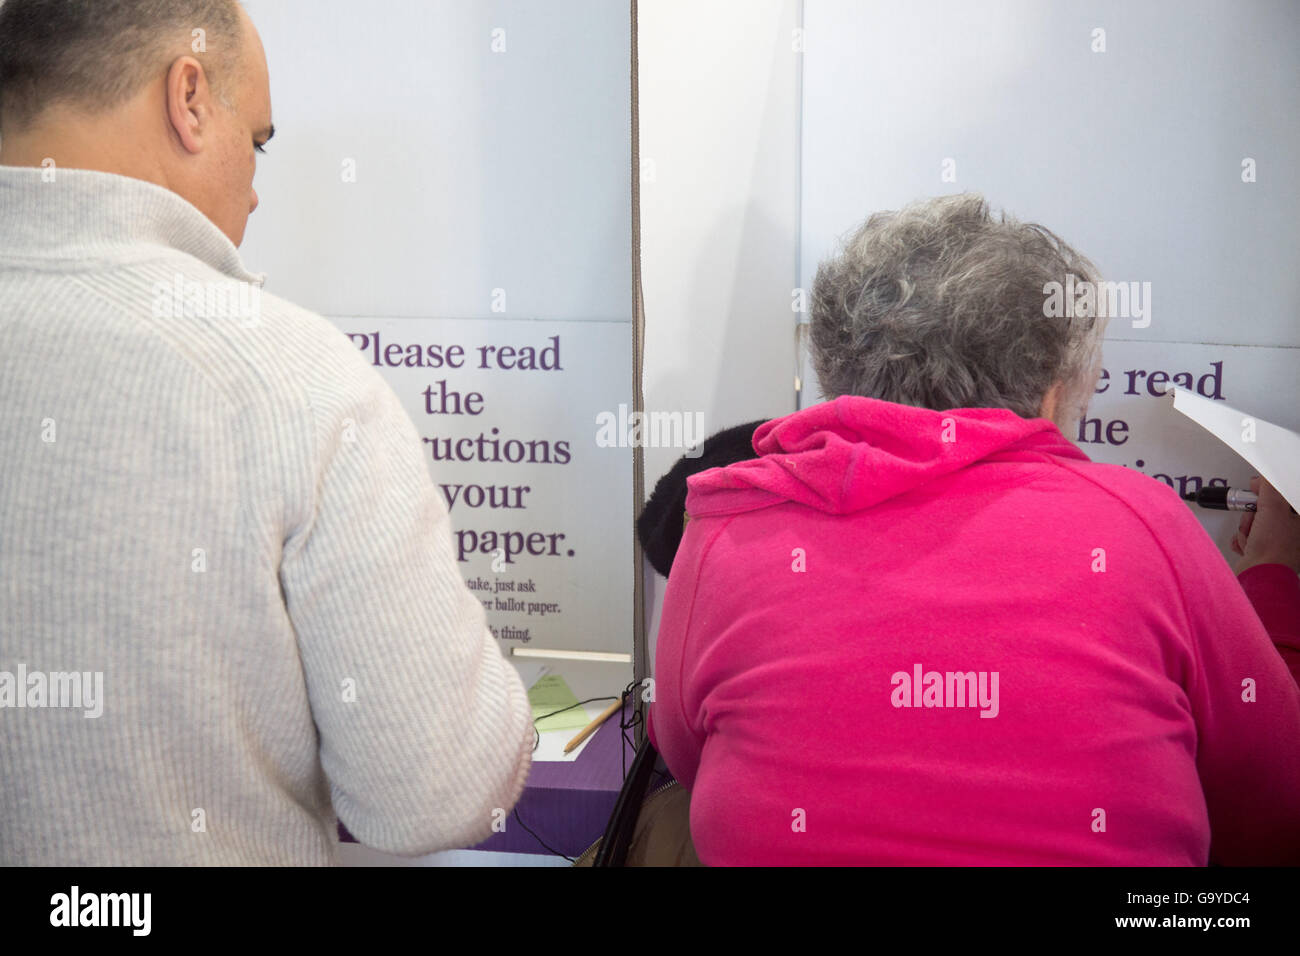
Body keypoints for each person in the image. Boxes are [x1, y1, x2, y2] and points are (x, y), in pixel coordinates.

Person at [0, 0, 532, 865]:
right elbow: (435, 789)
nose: (254, 190)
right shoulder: (293, 379)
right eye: (259, 142)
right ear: (190, 98)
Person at [648, 193, 1300, 865]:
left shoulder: (727, 525)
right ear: (1051, 391)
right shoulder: (1143, 526)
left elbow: (687, 750)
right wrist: (1275, 577)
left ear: (835, 370)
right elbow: (1278, 811)